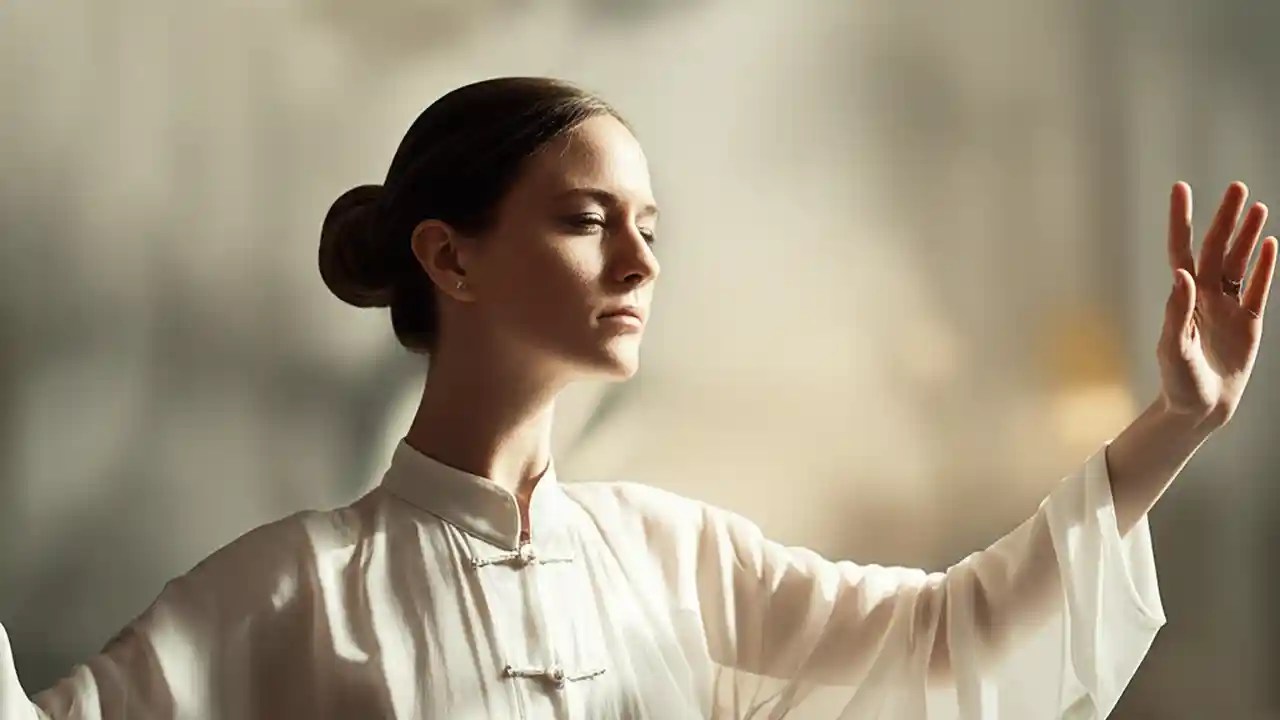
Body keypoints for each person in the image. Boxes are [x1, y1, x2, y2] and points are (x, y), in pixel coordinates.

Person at [0, 76, 1274, 720]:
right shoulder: (290, 593)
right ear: (450, 258)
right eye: (584, 220)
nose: (639, 262)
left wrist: (1175, 422)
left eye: (649, 227)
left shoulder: (676, 557)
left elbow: (948, 641)